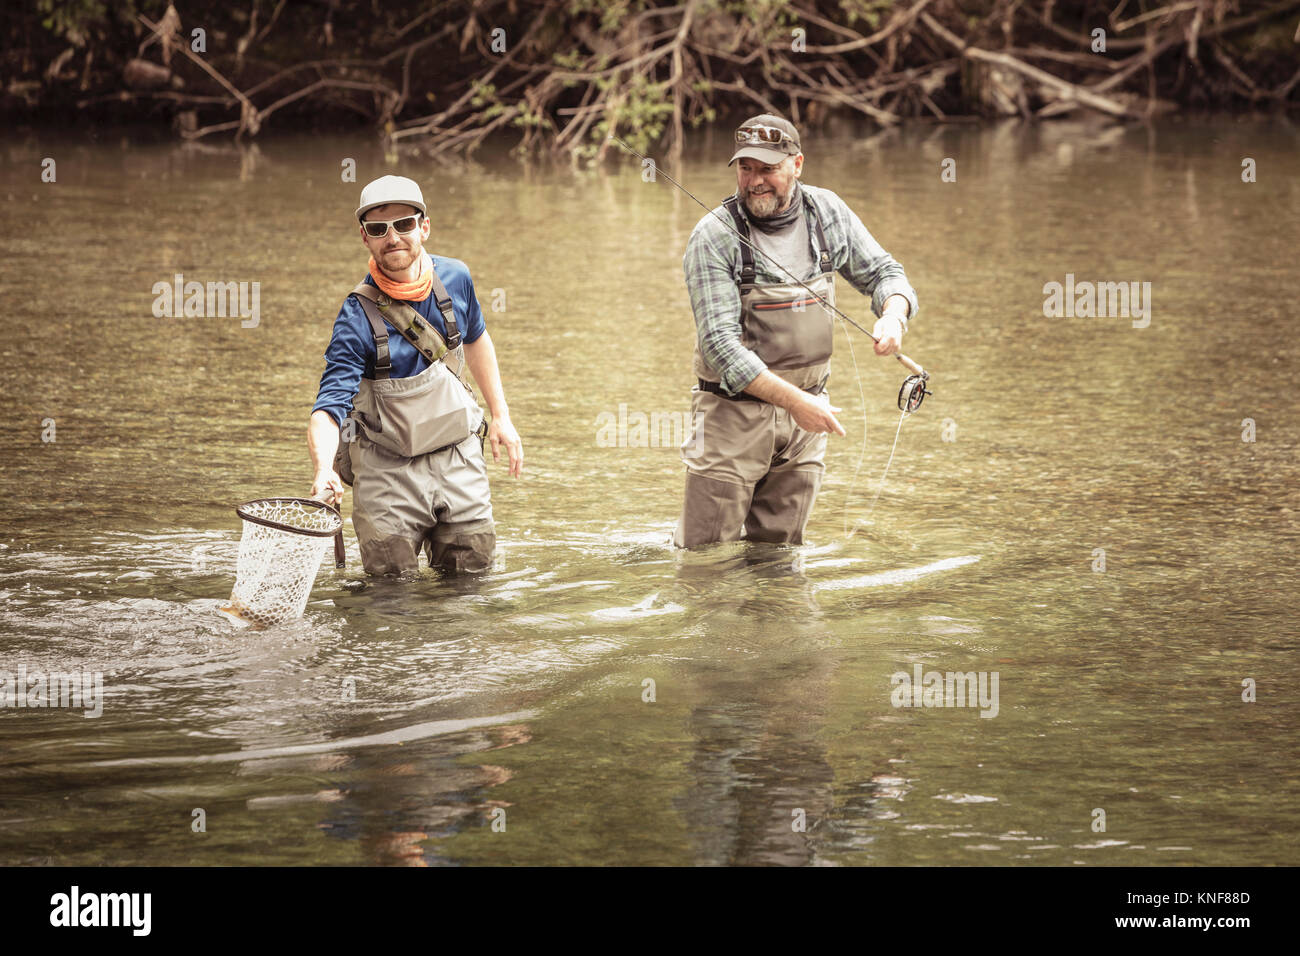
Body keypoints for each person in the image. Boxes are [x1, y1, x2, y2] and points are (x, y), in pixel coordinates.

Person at [675, 113, 918, 548]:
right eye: (745, 168)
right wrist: (797, 403)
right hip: (731, 418)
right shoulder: (713, 236)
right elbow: (720, 348)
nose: (754, 181)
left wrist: (893, 315)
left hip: (807, 423)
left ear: (797, 164)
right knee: (705, 562)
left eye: (767, 169)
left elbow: (886, 273)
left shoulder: (828, 213)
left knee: (780, 562)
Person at [307, 175, 522, 574]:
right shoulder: (354, 319)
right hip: (386, 467)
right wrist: (323, 468)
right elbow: (328, 409)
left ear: (424, 227)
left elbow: (477, 340)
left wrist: (501, 416)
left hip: (458, 454)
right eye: (378, 228)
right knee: (390, 600)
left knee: (473, 585)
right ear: (365, 238)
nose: (393, 237)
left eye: (404, 224)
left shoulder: (456, 278)